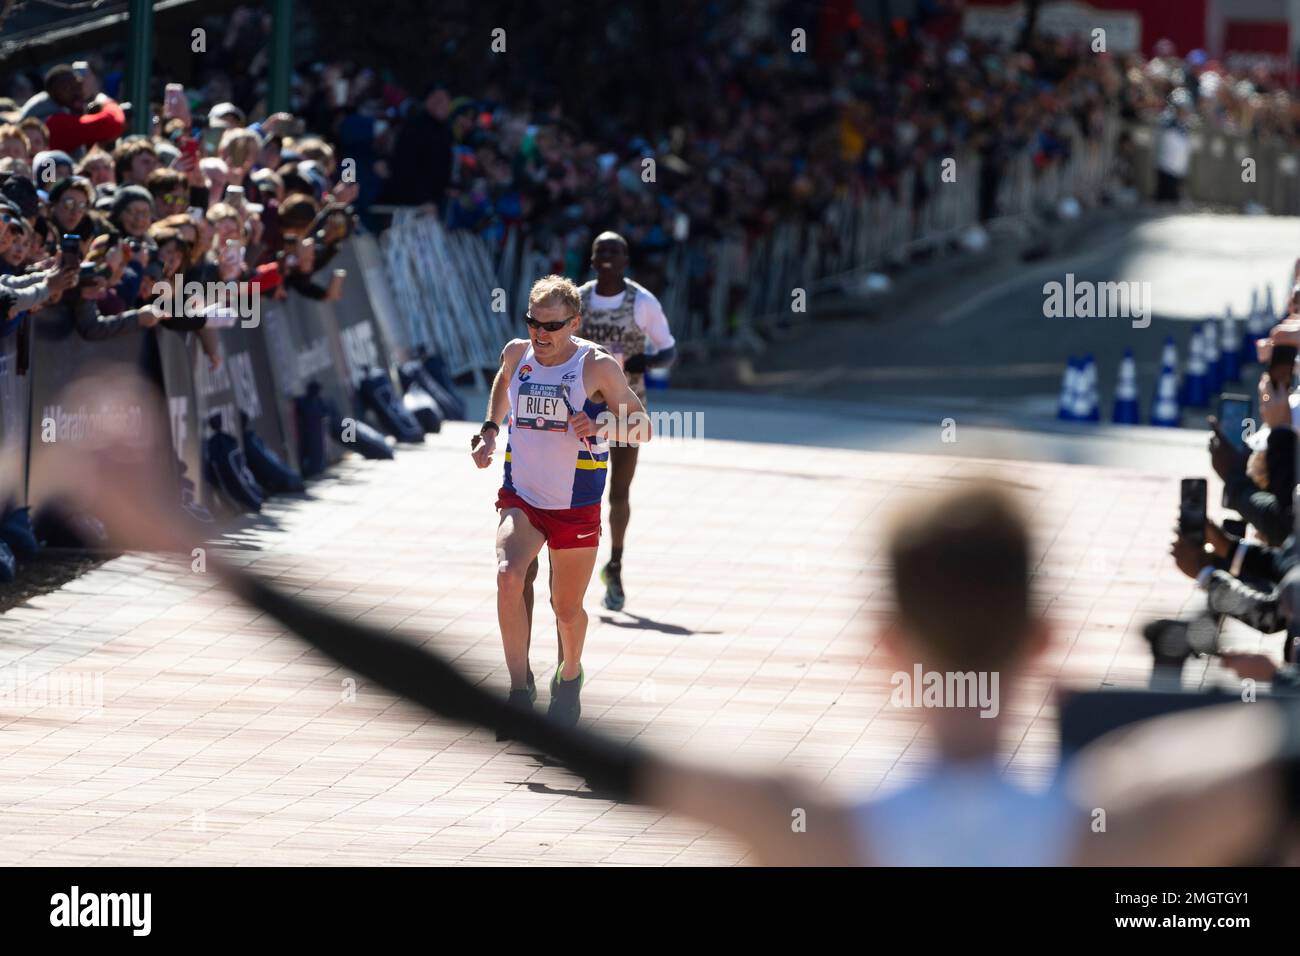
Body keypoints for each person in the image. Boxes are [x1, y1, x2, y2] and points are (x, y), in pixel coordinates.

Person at [470, 275, 651, 727]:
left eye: (552, 326)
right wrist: (490, 431)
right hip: (522, 496)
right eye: (534, 322)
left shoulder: (597, 366)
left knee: (566, 610)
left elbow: (643, 427)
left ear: (575, 322)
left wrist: (603, 427)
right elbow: (503, 382)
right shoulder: (518, 353)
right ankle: (518, 690)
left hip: (577, 504)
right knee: (509, 576)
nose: (541, 334)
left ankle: (569, 678)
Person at [568, 231, 676, 612]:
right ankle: (572, 566)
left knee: (619, 492)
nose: (609, 257)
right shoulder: (578, 299)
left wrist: (647, 362)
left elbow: (668, 348)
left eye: (616, 251)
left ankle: (614, 565)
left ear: (626, 259)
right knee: (579, 490)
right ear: (593, 259)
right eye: (602, 251)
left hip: (628, 409)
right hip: (584, 408)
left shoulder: (642, 302)